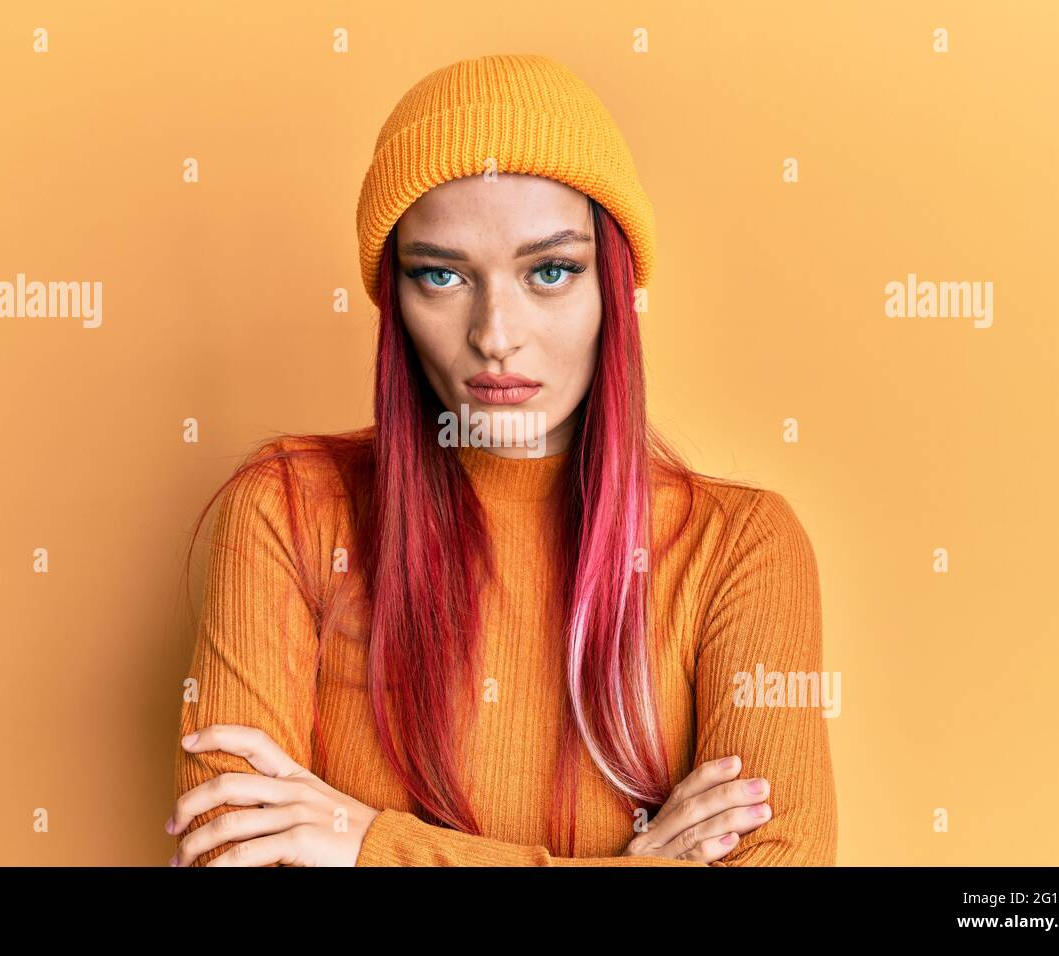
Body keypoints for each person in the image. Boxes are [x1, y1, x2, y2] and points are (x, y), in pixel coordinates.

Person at [166, 53, 837, 866]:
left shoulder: (740, 547)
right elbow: (228, 858)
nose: (495, 335)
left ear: (613, 288)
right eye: (442, 275)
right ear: (395, 298)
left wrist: (370, 846)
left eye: (550, 270)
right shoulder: (287, 512)